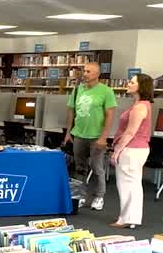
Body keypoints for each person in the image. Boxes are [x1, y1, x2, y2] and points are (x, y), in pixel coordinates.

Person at [62, 62, 117, 211]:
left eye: (89, 71)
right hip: (79, 134)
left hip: (97, 136)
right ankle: (80, 195)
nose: (85, 74)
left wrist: (104, 137)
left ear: (97, 74)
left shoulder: (106, 91)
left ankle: (99, 196)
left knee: (96, 166)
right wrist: (68, 132)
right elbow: (71, 111)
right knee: (79, 167)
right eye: (84, 71)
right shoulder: (77, 90)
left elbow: (110, 115)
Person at [111, 73, 154, 230]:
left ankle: (126, 219)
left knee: (126, 184)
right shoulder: (141, 105)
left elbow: (130, 132)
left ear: (140, 86)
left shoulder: (140, 107)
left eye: (131, 82)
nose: (128, 84)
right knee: (133, 184)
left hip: (131, 149)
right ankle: (131, 217)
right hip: (137, 149)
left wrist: (116, 151)